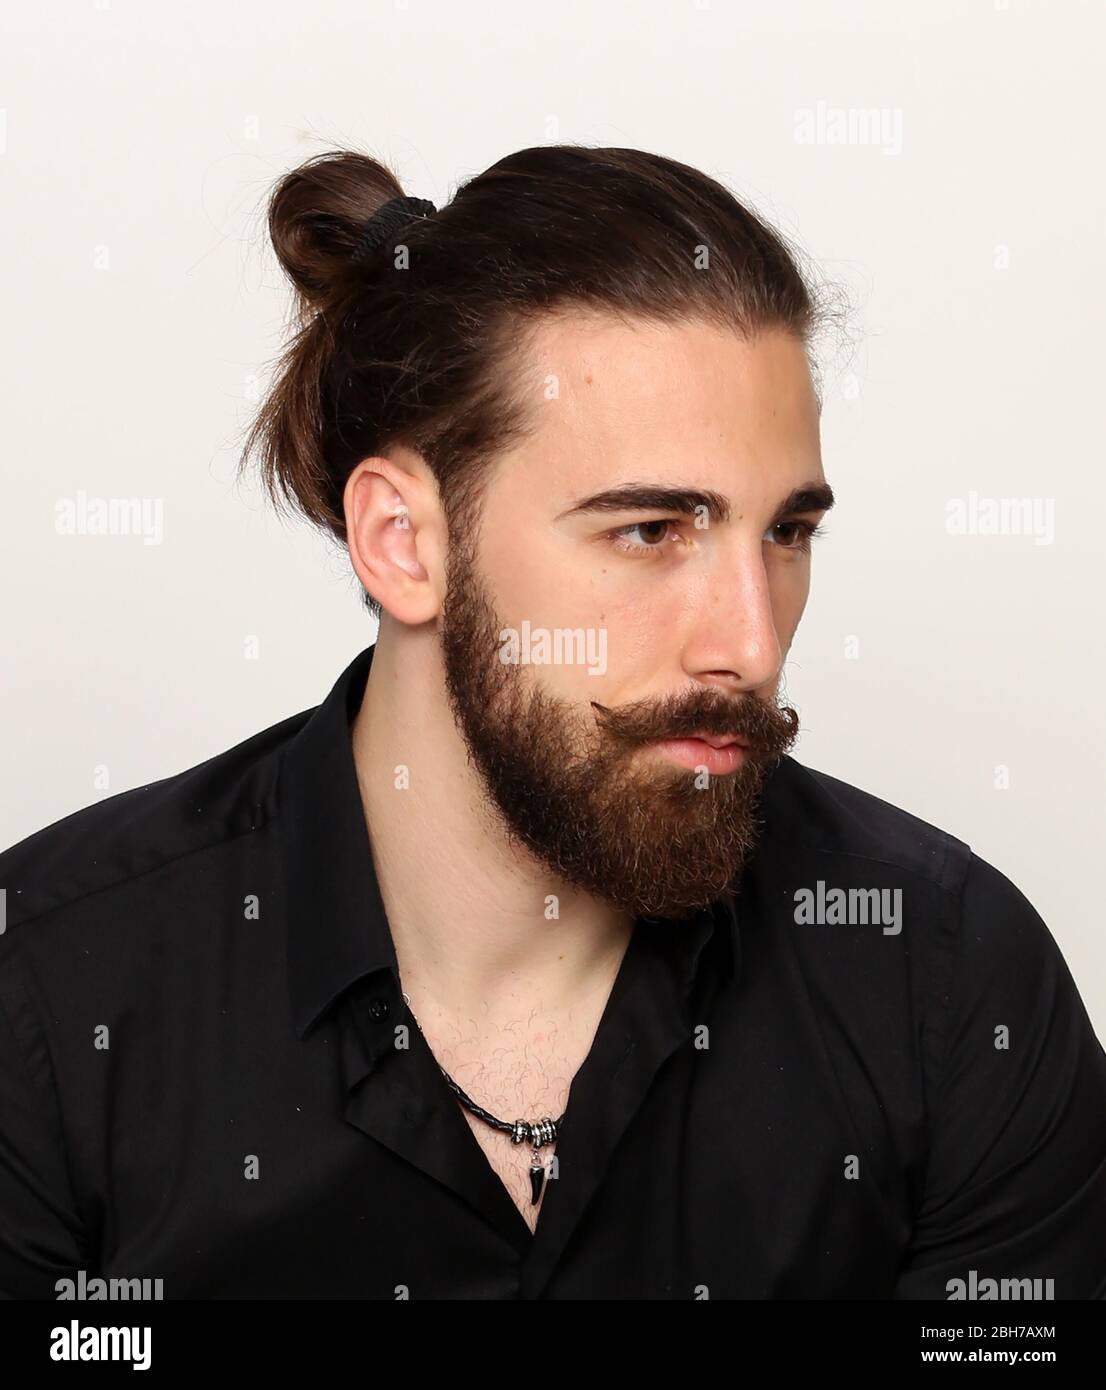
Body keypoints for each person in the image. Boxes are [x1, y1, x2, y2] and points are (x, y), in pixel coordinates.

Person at [1, 145, 1103, 1300]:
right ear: (402, 543)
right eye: (649, 531)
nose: (749, 644)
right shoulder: (50, 1000)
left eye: (785, 534)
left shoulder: (945, 979)